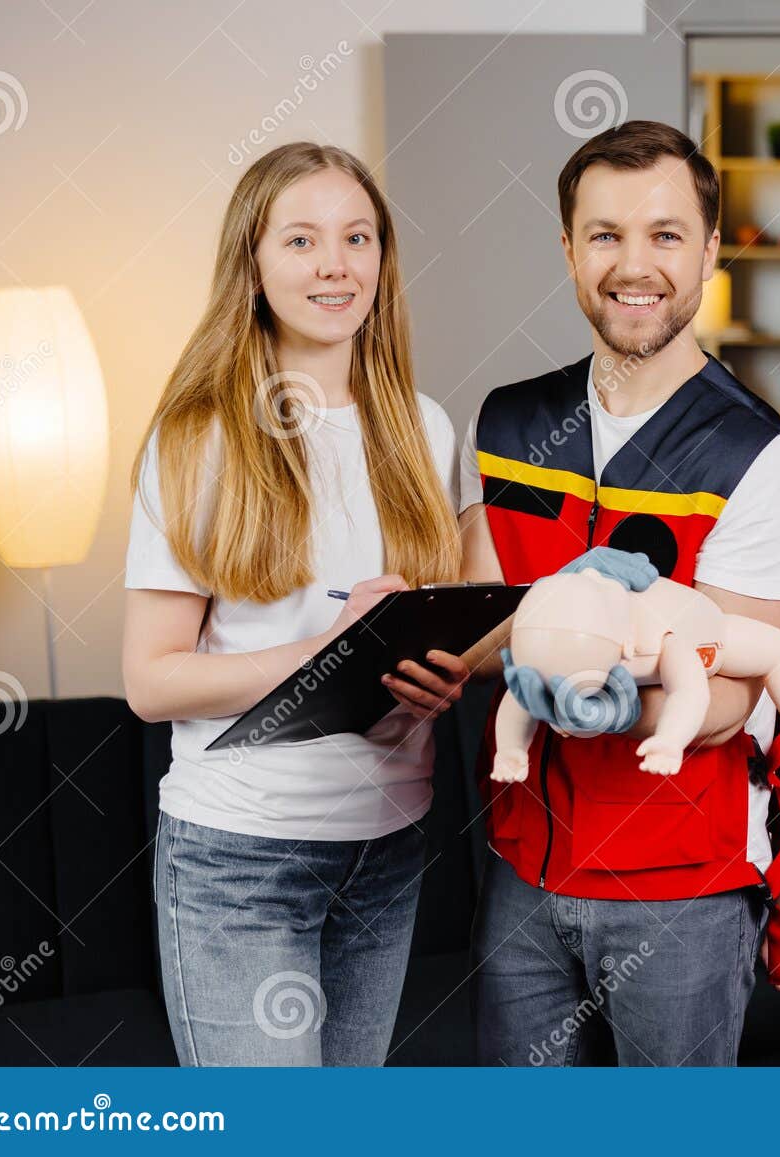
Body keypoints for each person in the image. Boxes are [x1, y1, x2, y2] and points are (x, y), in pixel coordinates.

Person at [391, 120, 780, 1066]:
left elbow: (726, 705)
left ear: (711, 249)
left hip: (683, 891)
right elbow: (479, 616)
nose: (636, 264)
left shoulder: (761, 460)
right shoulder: (506, 422)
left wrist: (553, 669)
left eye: (667, 234)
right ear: (569, 250)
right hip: (521, 870)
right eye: (606, 235)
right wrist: (406, 639)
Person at [123, 142, 464, 1066]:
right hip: (242, 855)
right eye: (302, 239)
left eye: (358, 238)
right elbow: (152, 681)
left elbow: (438, 622)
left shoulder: (424, 428)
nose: (334, 265)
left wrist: (436, 669)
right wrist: (334, 649)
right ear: (254, 263)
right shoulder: (198, 439)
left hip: (387, 843)